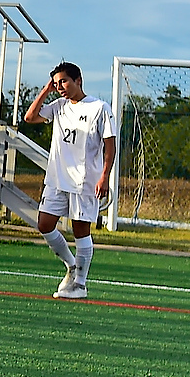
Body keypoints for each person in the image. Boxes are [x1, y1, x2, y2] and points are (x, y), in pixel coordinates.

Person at [23, 62, 116, 300]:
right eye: (56, 83)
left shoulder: (99, 107)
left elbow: (110, 146)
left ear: (78, 80)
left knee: (80, 230)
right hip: (56, 178)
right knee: (44, 224)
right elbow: (30, 117)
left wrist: (104, 176)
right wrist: (45, 90)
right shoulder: (59, 106)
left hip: (84, 181)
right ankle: (72, 266)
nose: (60, 87)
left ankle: (80, 285)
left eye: (63, 81)